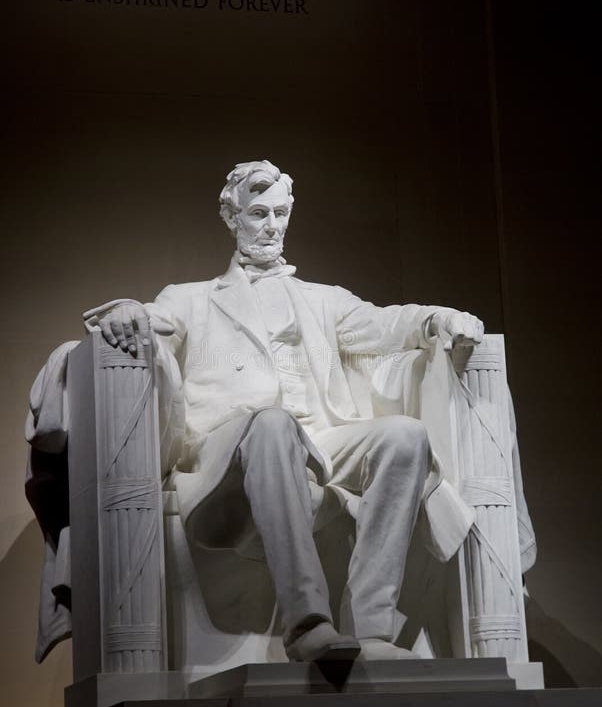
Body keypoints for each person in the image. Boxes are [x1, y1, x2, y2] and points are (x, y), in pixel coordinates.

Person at [90, 160, 484, 663]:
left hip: (317, 436)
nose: (273, 225)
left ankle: (370, 628)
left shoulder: (323, 300)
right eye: (259, 213)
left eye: (281, 213)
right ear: (231, 218)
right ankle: (308, 621)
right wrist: (128, 310)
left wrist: (438, 318)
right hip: (229, 448)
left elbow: (387, 324)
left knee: (405, 436)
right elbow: (152, 321)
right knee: (271, 423)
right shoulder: (190, 298)